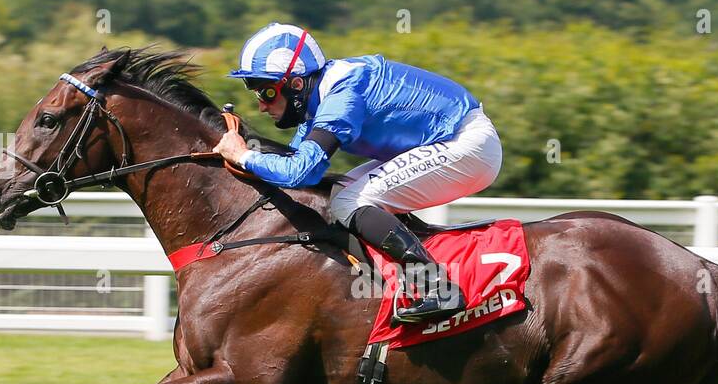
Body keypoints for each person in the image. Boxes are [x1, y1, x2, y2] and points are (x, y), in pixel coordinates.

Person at [213, 23, 502, 323]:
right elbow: (299, 168)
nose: (261, 106)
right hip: (449, 140)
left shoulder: (342, 96)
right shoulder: (320, 97)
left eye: (267, 92)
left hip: (468, 144)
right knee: (339, 193)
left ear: (296, 84)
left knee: (348, 202)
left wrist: (243, 155)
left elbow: (300, 172)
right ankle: (388, 283)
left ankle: (437, 288)